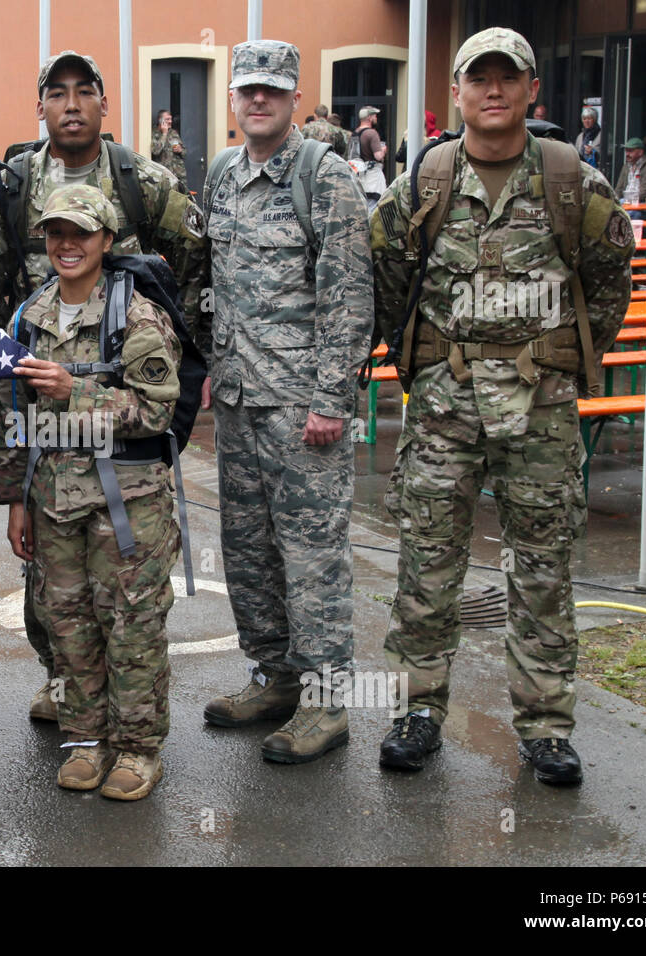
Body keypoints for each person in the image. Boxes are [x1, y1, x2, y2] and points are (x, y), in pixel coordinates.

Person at [369, 27, 633, 786]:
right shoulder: (425, 180)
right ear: (456, 92)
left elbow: (611, 276)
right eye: (477, 78)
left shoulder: (570, 180)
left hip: (541, 409)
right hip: (445, 406)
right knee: (427, 565)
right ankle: (417, 713)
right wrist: (412, 354)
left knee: (543, 567)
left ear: (529, 91)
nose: (492, 91)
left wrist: (563, 355)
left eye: (506, 79)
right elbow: (386, 270)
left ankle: (546, 726)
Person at [0, 49, 206, 722]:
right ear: (40, 105)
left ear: (103, 103)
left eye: (83, 92)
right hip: (36, 381)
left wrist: (171, 348)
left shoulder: (141, 181)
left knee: (124, 579)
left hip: (115, 379)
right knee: (53, 577)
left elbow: (191, 262)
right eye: (56, 93)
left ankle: (129, 727)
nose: (71, 104)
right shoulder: (11, 188)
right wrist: (2, 358)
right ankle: (67, 686)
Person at [199, 40, 373, 763]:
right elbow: (216, 283)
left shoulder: (325, 178)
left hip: (305, 409)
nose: (258, 101)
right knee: (248, 552)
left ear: (293, 98)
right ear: (234, 99)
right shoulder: (222, 174)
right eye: (247, 90)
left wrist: (331, 399)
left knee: (312, 558)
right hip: (240, 400)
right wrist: (213, 364)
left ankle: (327, 701)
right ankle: (275, 676)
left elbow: (348, 296)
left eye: (272, 90)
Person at [0, 184, 182, 799]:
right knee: (64, 623)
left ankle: (137, 748)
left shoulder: (136, 315)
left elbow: (158, 412)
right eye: (55, 233)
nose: (67, 245)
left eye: (80, 233)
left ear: (106, 240)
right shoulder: (30, 314)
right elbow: (13, 413)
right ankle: (83, 740)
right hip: (52, 501)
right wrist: (16, 498)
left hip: (128, 501)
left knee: (131, 627)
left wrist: (81, 393)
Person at [350, 105, 388, 208]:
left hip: (359, 176)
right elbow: (378, 156)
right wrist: (383, 150)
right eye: (374, 115)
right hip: (373, 178)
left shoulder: (355, 133)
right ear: (369, 117)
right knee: (374, 206)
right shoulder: (372, 133)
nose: (376, 118)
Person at [614, 136, 646, 220]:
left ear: (640, 152)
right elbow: (618, 188)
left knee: (629, 213)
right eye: (626, 151)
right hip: (624, 202)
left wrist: (627, 201)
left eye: (630, 151)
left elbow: (645, 191)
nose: (627, 154)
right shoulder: (626, 166)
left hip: (639, 203)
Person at [151, 108, 189, 184]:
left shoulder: (173, 133)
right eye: (167, 119)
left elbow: (185, 152)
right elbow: (155, 151)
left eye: (170, 119)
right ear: (160, 121)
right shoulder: (153, 133)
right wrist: (164, 134)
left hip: (178, 176)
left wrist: (180, 150)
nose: (170, 121)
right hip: (163, 176)